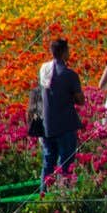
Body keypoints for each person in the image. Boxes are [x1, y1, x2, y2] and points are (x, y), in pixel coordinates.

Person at [37, 38, 84, 186]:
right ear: (64, 52)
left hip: (47, 126)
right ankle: (64, 195)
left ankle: (44, 195)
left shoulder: (43, 70)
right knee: (66, 163)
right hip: (65, 125)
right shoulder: (69, 74)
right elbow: (80, 100)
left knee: (48, 164)